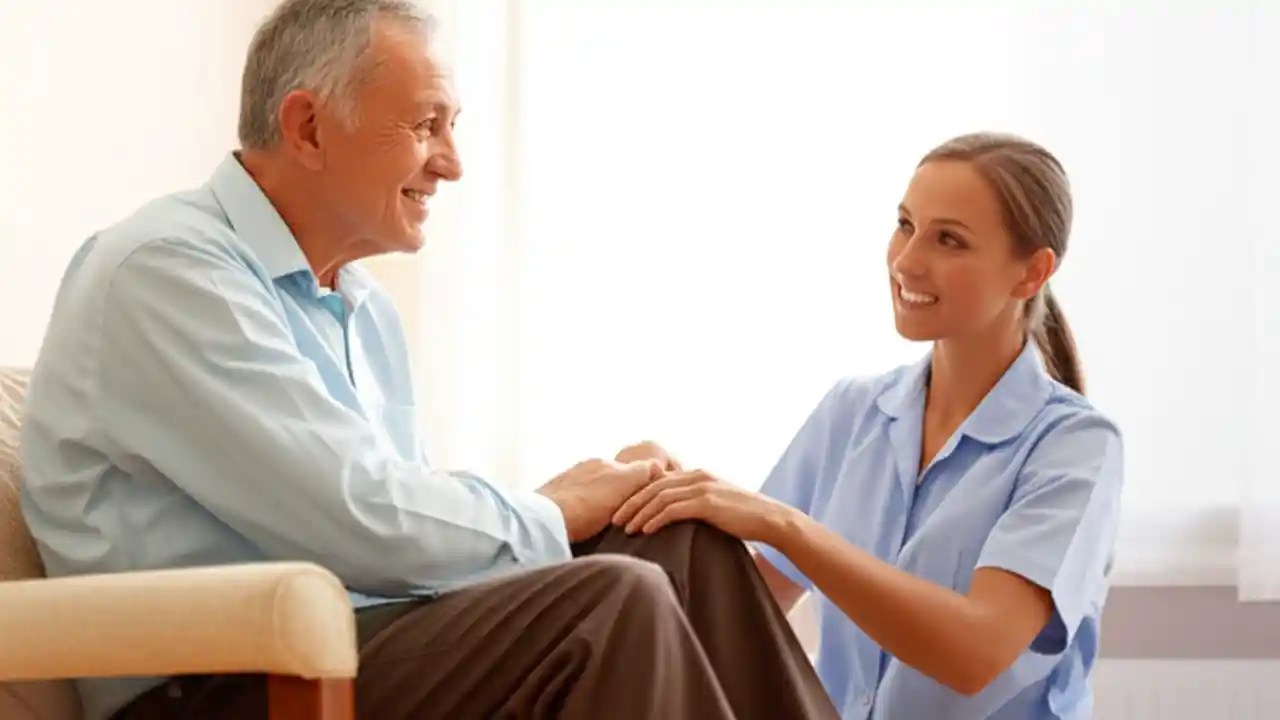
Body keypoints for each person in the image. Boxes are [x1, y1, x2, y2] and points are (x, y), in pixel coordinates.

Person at [18, 2, 836, 719]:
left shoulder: (362, 307)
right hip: (212, 690)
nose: (451, 161)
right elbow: (363, 523)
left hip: (366, 637)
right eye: (424, 125)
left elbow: (393, 528)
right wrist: (551, 510)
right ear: (307, 127)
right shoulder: (167, 271)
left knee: (679, 539)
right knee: (611, 601)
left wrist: (590, 510)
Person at [614, 133, 1124, 719]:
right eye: (905, 225)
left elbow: (975, 652)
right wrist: (655, 504)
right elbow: (742, 618)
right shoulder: (852, 413)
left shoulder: (1075, 446)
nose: (906, 261)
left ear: (1031, 273)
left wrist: (787, 527)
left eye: (948, 239)